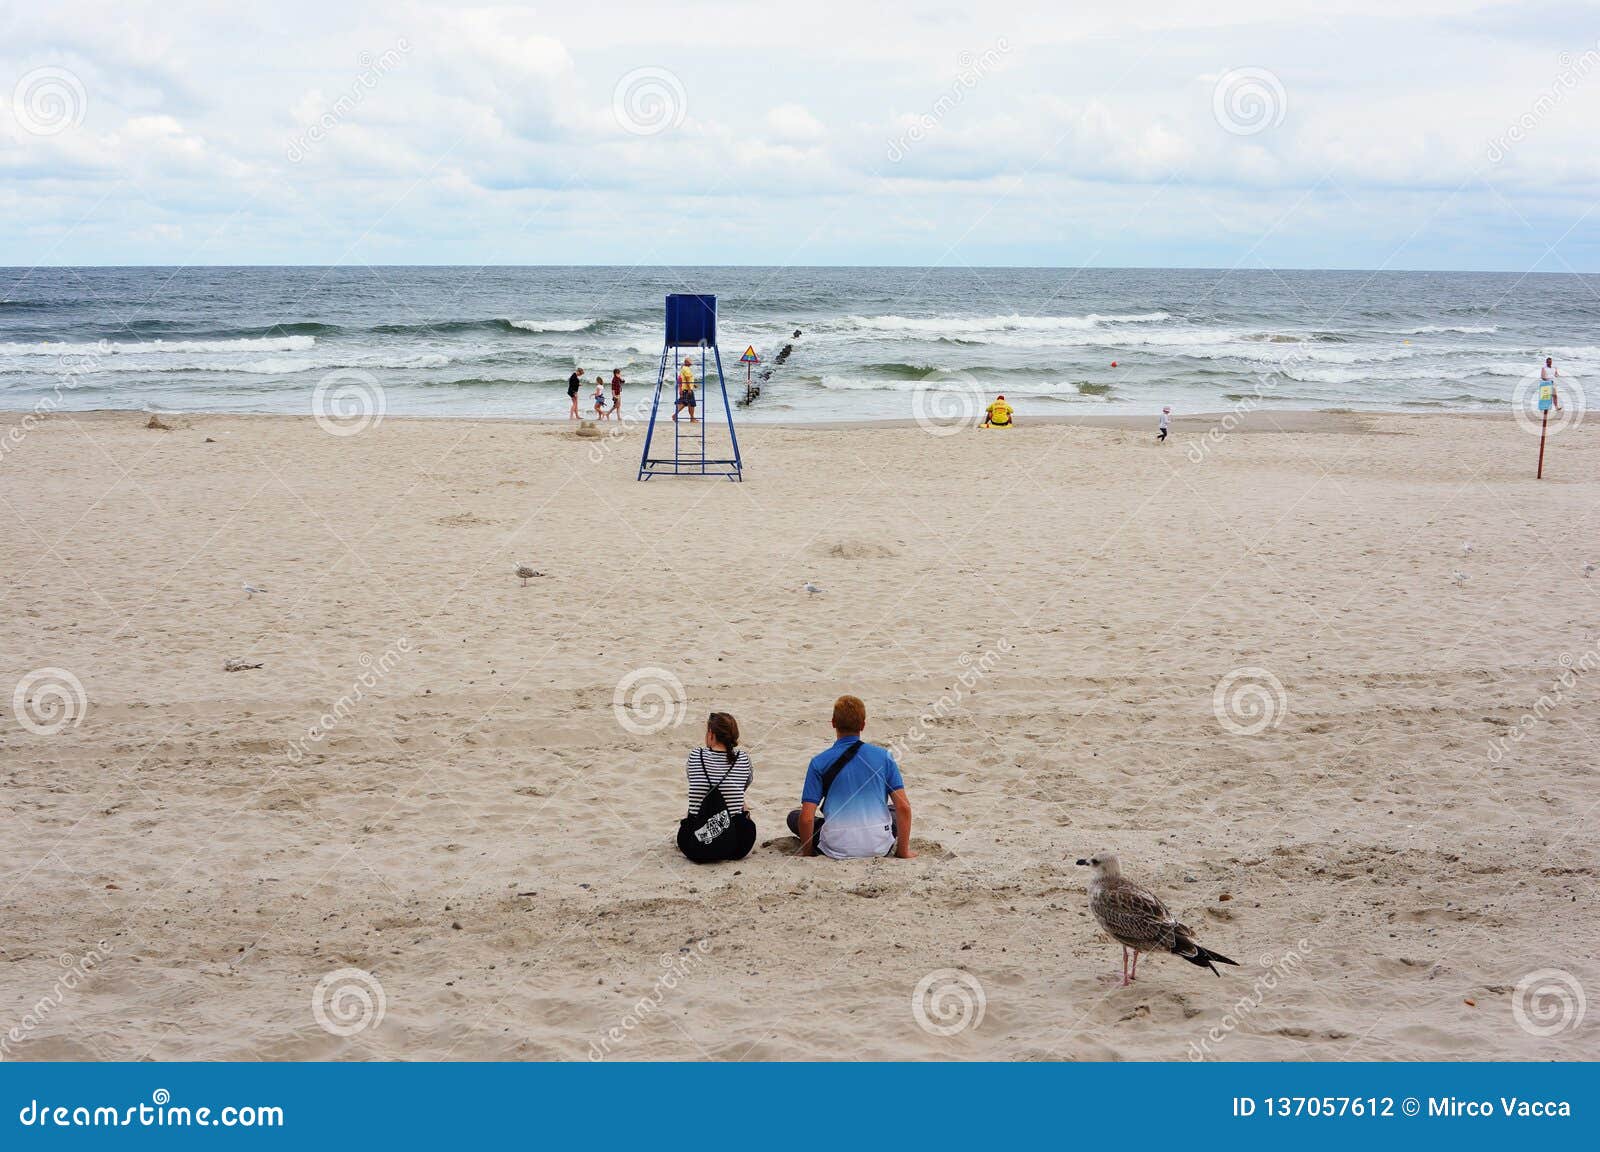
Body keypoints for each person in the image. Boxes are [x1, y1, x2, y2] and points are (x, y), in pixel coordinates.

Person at [788, 695, 914, 860]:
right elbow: (904, 807)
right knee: (893, 810)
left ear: (833, 723)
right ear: (862, 725)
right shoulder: (884, 757)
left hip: (835, 846)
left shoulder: (819, 762)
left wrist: (808, 853)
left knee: (794, 817)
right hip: (879, 846)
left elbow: (806, 819)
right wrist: (903, 852)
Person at [676, 712, 757, 863]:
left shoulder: (695, 755)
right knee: (741, 802)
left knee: (697, 801)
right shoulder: (743, 758)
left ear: (711, 734)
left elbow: (692, 781)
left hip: (694, 847)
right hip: (736, 846)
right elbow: (744, 786)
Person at [674, 357, 698, 423]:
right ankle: (675, 415)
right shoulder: (686, 369)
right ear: (687, 362)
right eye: (690, 361)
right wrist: (690, 388)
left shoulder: (685, 368)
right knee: (686, 403)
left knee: (690, 404)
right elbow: (687, 379)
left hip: (686, 388)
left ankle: (692, 418)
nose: (691, 362)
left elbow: (684, 379)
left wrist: (693, 384)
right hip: (687, 389)